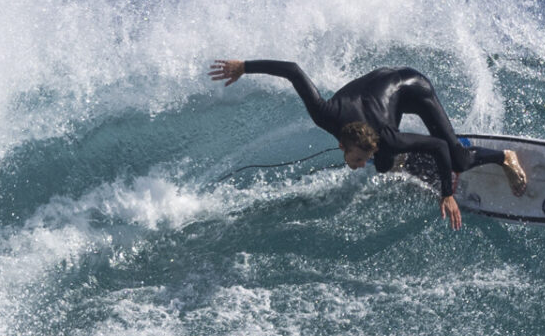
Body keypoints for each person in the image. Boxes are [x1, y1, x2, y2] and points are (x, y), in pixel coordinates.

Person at [210, 59, 525, 229]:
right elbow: (292, 71)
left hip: (412, 86)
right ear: (343, 145)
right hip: (380, 92)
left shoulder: (386, 136)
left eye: (361, 159)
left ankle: (503, 158)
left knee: (457, 159)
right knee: (385, 165)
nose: (359, 165)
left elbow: (439, 148)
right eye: (360, 159)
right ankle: (401, 160)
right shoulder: (325, 114)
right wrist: (244, 68)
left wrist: (447, 194)